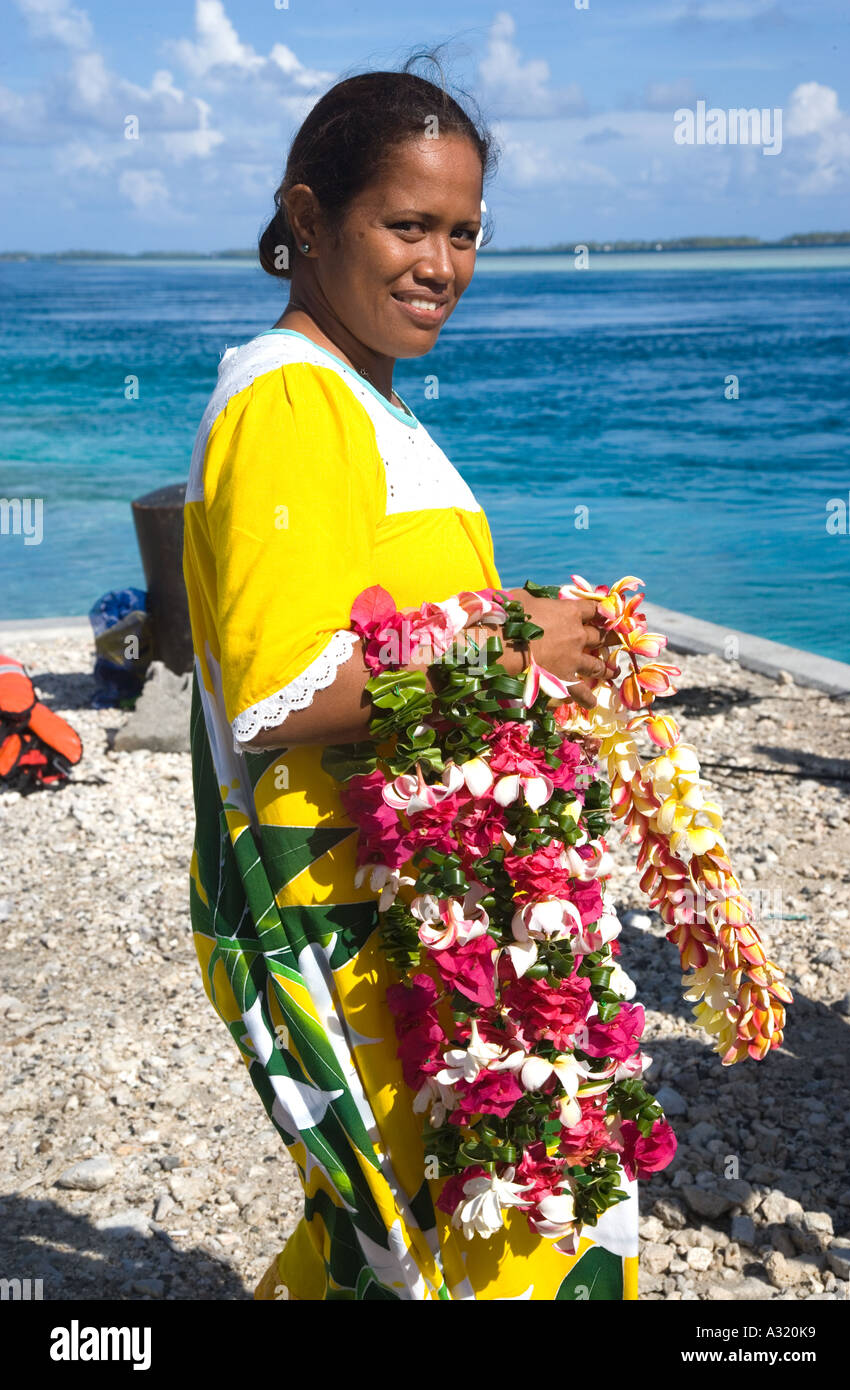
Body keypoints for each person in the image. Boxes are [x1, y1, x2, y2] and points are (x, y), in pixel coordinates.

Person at [183, 57, 638, 1300]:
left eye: (463, 233)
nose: (440, 264)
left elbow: (393, 633)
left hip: (422, 899)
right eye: (407, 224)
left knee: (398, 1248)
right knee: (482, 1246)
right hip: (350, 910)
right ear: (307, 217)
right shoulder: (291, 403)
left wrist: (540, 636)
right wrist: (504, 647)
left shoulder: (364, 405)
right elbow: (279, 691)